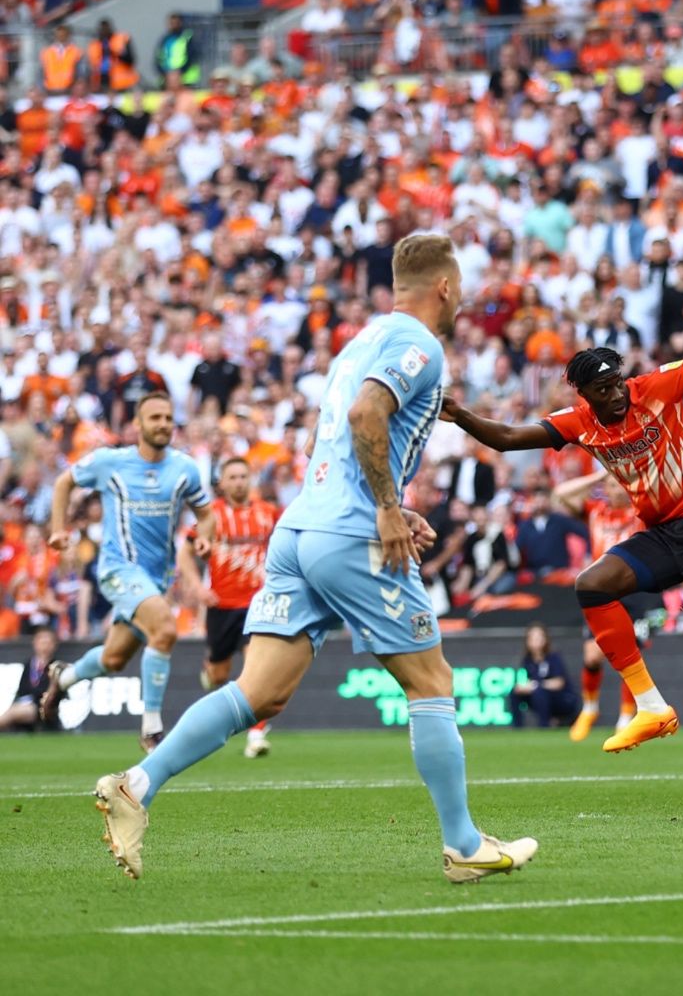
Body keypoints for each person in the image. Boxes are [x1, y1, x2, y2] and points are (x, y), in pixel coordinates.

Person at [91, 234, 536, 883]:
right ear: (444, 287)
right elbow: (365, 415)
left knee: (258, 692)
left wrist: (389, 501)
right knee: (433, 683)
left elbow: (345, 429)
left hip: (301, 527)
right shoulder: (421, 344)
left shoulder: (360, 341)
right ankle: (464, 845)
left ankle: (137, 783)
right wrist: (385, 507)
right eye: (461, 286)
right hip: (352, 532)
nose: (463, 296)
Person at [441, 283, 683, 807]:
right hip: (664, 531)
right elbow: (510, 439)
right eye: (605, 389)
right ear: (586, 396)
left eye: (619, 382)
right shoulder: (580, 424)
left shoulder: (657, 387)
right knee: (593, 585)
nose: (618, 393)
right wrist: (462, 415)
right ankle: (650, 706)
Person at [40, 391, 215, 751]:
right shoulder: (110, 462)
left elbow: (206, 513)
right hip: (118, 570)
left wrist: (204, 539)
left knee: (114, 658)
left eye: (168, 418)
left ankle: (65, 675)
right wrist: (58, 529)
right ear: (137, 425)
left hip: (156, 580)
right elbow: (63, 482)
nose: (164, 424)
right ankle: (152, 730)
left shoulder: (184, 469)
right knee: (164, 629)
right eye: (155, 418)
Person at [176, 456, 278, 759]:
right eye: (232, 477)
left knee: (257, 670)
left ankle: (256, 735)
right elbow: (185, 552)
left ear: (251, 479)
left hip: (258, 604)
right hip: (222, 606)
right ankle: (211, 671)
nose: (238, 482)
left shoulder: (268, 513)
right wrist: (197, 587)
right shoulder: (213, 516)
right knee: (220, 675)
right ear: (222, 483)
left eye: (243, 476)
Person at [511, 624, 580, 729]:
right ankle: (517, 727)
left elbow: (558, 683)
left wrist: (536, 685)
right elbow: (527, 681)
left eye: (539, 637)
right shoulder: (527, 660)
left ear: (545, 639)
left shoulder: (553, 657)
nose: (536, 641)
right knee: (515, 692)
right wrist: (523, 687)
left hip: (562, 700)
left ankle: (544, 726)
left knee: (539, 691)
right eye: (532, 638)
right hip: (539, 698)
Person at [3, 628, 58, 730]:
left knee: (13, 713)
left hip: (41, 708)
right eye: (42, 642)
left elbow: (53, 693)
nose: (45, 646)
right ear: (35, 643)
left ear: (54, 645)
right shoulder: (29, 664)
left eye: (48, 643)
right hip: (25, 704)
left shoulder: (56, 667)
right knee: (13, 710)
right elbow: (22, 689)